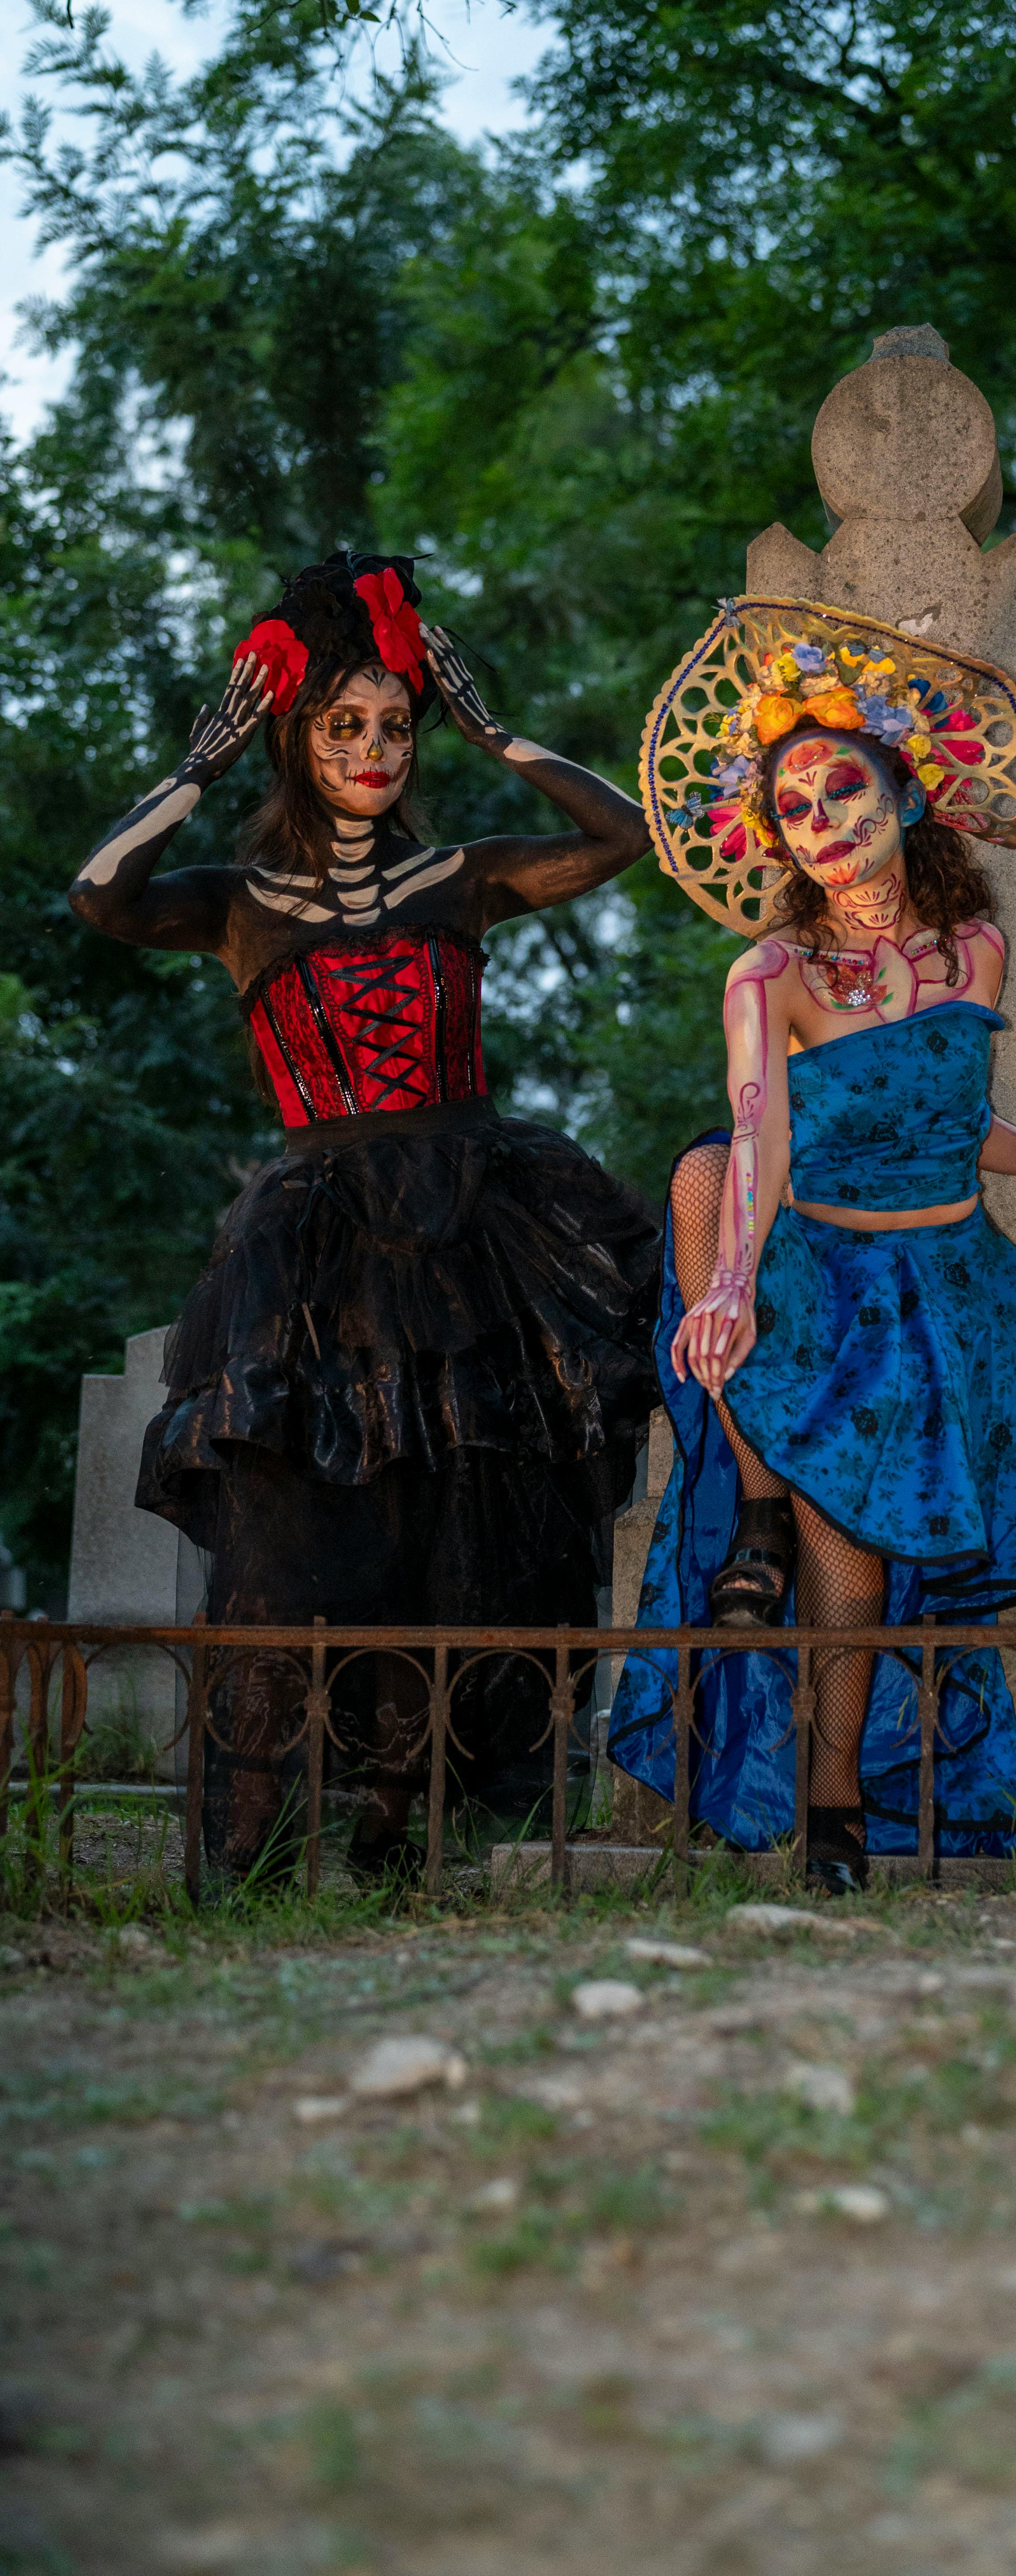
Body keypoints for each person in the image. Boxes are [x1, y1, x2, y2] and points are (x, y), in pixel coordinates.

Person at [68, 550, 660, 1880]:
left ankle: (406, 1838)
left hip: (477, 1226)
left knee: (452, 1530)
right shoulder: (239, 904)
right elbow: (99, 897)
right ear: (301, 737)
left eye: (397, 725)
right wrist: (200, 764)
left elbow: (623, 837)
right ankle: (252, 1851)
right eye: (345, 725)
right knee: (294, 1539)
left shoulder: (462, 874)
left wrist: (497, 731)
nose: (376, 748)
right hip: (318, 1243)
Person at [608, 603, 1016, 1889]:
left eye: (841, 785)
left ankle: (836, 1789)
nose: (822, 818)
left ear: (904, 798)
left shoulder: (979, 952)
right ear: (780, 840)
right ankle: (753, 1512)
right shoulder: (771, 973)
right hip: (822, 1275)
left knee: (859, 1580)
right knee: (704, 1172)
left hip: (941, 1288)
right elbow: (761, 1130)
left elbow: (959, 1124)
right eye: (793, 805)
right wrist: (732, 1285)